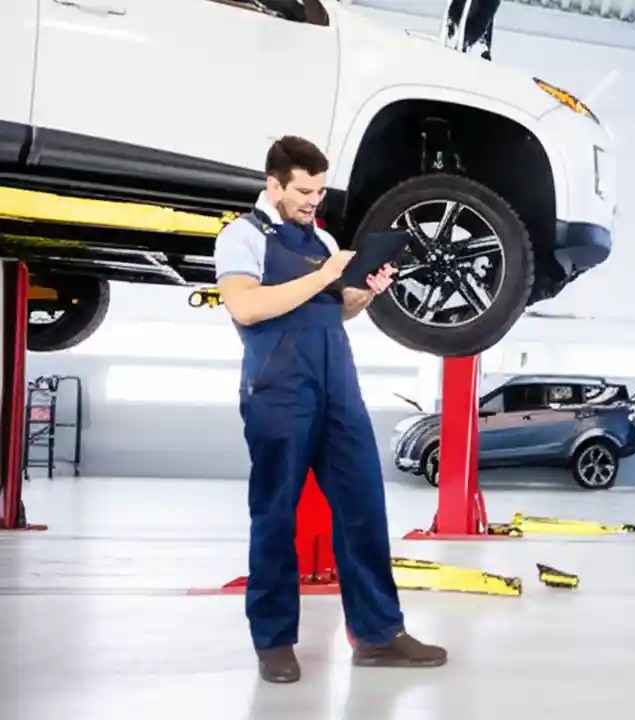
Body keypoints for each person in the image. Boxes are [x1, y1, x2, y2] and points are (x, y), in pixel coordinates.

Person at [213, 136, 447, 683]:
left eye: (320, 190)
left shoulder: (322, 238)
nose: (314, 200)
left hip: (337, 386)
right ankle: (273, 642)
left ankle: (377, 634)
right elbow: (246, 307)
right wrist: (324, 275)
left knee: (364, 506)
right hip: (278, 389)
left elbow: (333, 312)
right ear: (273, 184)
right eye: (303, 190)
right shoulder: (240, 237)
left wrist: (364, 292)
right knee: (275, 514)